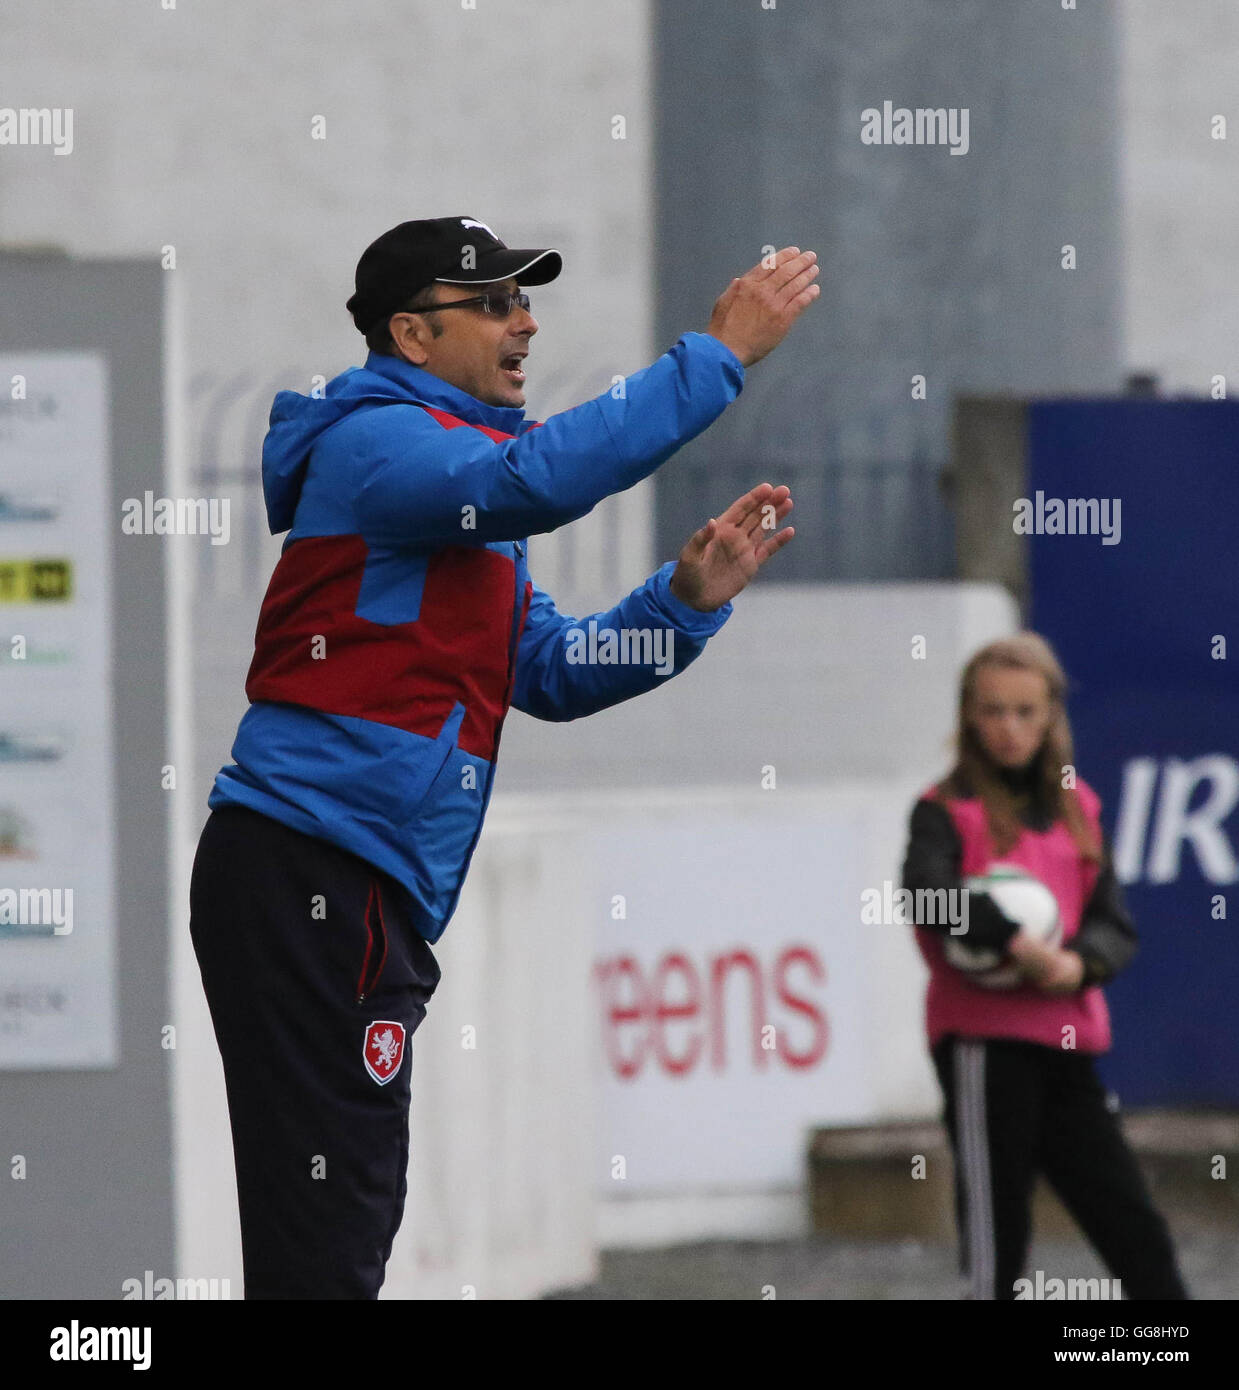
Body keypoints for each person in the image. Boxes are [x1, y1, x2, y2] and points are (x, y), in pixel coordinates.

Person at [189, 215, 819, 1298]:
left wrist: (680, 604)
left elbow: (551, 671)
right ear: (411, 335)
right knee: (330, 1232)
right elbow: (539, 480)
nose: (523, 322)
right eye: (491, 303)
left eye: (524, 300)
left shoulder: (453, 476)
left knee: (333, 1223)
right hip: (315, 872)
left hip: (334, 873)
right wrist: (715, 357)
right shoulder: (384, 442)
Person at [901, 631, 1188, 1300]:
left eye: (1025, 711)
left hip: (1066, 1048)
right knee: (997, 1245)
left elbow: (1112, 923)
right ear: (970, 715)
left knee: (1136, 1233)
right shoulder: (943, 810)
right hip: (984, 1048)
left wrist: (1078, 967)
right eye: (993, 710)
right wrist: (1012, 943)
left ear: (1050, 714)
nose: (1009, 728)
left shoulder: (1076, 807)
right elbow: (926, 895)